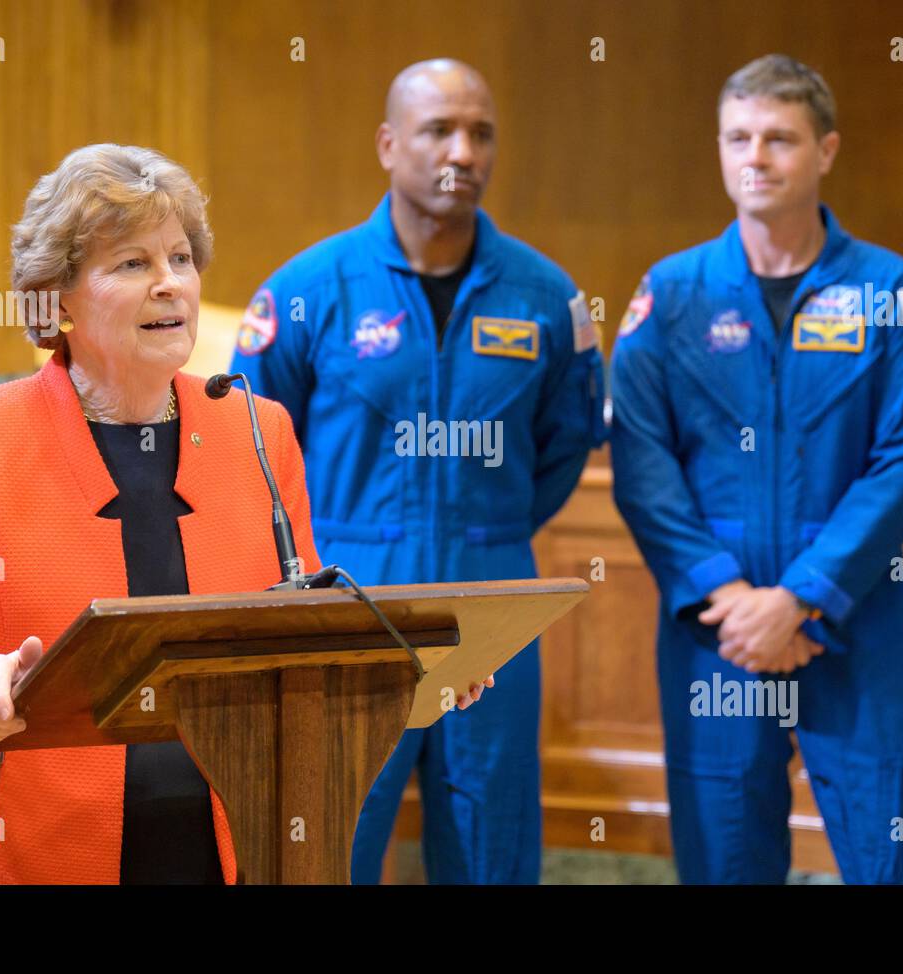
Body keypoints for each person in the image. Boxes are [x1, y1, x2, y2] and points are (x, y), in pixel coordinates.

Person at [0, 143, 488, 885]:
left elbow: (300, 639)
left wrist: (409, 670)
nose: (170, 285)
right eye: (132, 264)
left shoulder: (257, 431)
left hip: (239, 844)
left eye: (180, 259)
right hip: (38, 854)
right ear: (56, 300)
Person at [232, 59, 607, 884]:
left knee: (491, 843)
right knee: (332, 837)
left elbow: (565, 442)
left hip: (494, 596)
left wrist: (485, 525)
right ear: (389, 142)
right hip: (349, 594)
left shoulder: (548, 298)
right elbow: (254, 446)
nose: (463, 151)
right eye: (440, 129)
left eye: (481, 133)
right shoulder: (308, 291)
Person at [610, 55, 903, 884]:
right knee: (724, 850)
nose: (755, 158)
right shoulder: (670, 293)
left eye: (780, 139)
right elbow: (640, 457)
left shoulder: (898, 290)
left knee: (898, 853)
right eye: (738, 138)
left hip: (853, 616)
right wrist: (728, 597)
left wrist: (805, 595)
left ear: (827, 151)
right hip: (717, 627)